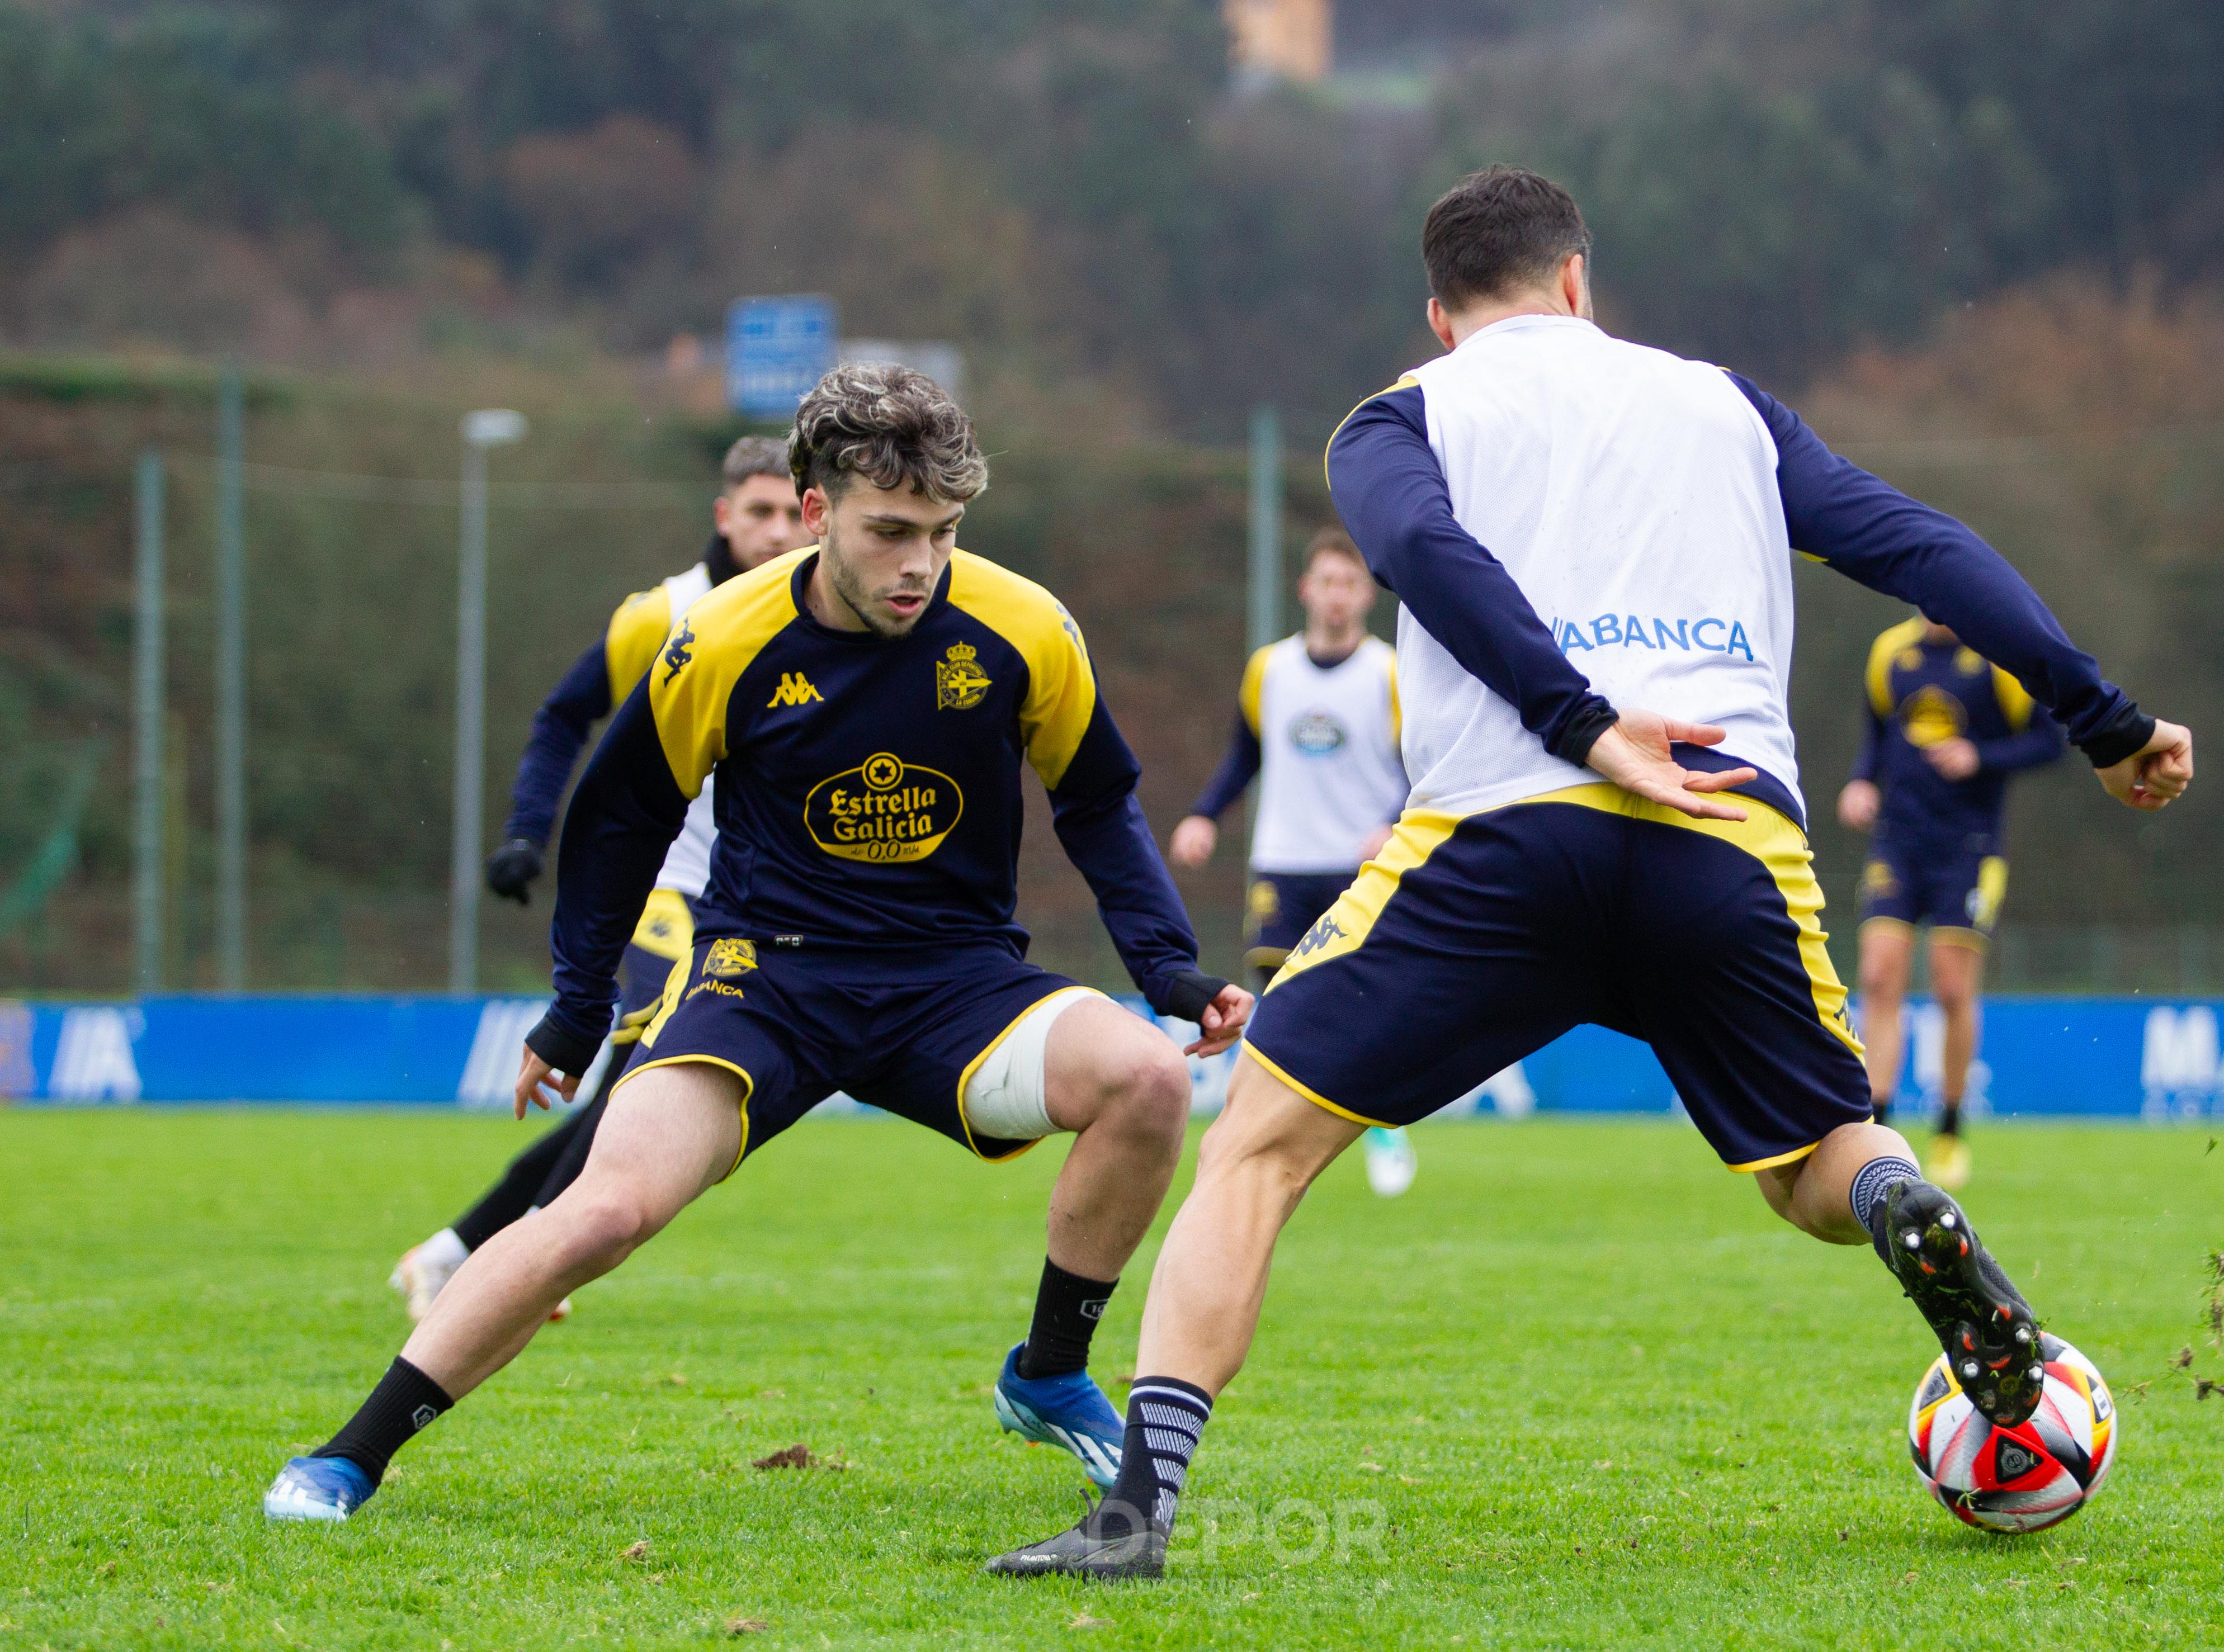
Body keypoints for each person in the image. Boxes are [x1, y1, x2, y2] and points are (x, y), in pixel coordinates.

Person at [991, 165, 2192, 1577]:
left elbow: (1419, 550)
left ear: (1442, 316)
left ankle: (1137, 1514)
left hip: (1502, 832)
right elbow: (1919, 550)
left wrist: (1574, 721)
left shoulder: (1400, 417)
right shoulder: (1729, 406)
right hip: (1725, 836)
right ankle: (1896, 1201)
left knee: (1257, 1147)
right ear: (1578, 281)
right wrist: (2102, 720)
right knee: (1816, 1156)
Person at [266, 365, 1251, 1522]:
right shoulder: (719, 638)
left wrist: (1167, 970)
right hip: (762, 980)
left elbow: (1096, 799)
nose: (918, 564)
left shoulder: (1024, 625)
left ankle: (1043, 1370)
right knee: (599, 1208)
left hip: (956, 980)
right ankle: (347, 1454)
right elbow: (619, 817)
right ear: (814, 508)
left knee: (1142, 1080)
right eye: (889, 531)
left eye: (940, 533)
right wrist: (580, 1009)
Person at [388, 437, 804, 1323]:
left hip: (755, 906)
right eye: (756, 511)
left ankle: (455, 1251)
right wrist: (526, 835)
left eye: (788, 511)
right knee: (647, 1072)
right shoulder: (669, 612)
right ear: (724, 516)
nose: (774, 531)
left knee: (626, 1098)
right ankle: (527, 1247)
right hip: (661, 891)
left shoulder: (835, 620)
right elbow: (563, 714)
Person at [1168, 528, 1418, 1196]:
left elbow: (1420, 766)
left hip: (1359, 867)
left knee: (1361, 1001)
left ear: (1367, 594)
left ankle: (1384, 1125)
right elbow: (1244, 754)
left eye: (1350, 584)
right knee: (1271, 1002)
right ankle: (1252, 1128)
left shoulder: (1390, 672)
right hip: (1282, 861)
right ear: (1306, 590)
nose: (1337, 596)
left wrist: (1388, 825)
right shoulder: (1268, 669)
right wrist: (1203, 815)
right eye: (1327, 582)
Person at [1836, 616, 2064, 1187]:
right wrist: (1862, 781)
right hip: (1897, 840)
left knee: (1950, 986)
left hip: (1968, 847)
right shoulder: (1889, 651)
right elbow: (1877, 735)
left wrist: (1979, 757)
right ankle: (1876, 1131)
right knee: (1879, 977)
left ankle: (1949, 1128)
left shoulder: (1998, 657)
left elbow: (2047, 742)